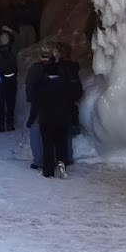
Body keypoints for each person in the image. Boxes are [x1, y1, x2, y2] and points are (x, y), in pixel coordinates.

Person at [28, 45, 82, 179]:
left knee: (47, 144)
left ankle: (47, 170)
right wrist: (74, 118)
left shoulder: (42, 84)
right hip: (62, 117)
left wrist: (32, 118)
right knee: (61, 142)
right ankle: (62, 162)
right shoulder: (64, 83)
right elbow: (70, 100)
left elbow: (35, 100)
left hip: (46, 118)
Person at [0, 26, 18, 131]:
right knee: (11, 103)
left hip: (1, 80)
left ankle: (1, 125)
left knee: (1, 104)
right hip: (12, 79)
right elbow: (19, 39)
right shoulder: (14, 50)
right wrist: (10, 30)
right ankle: (10, 124)